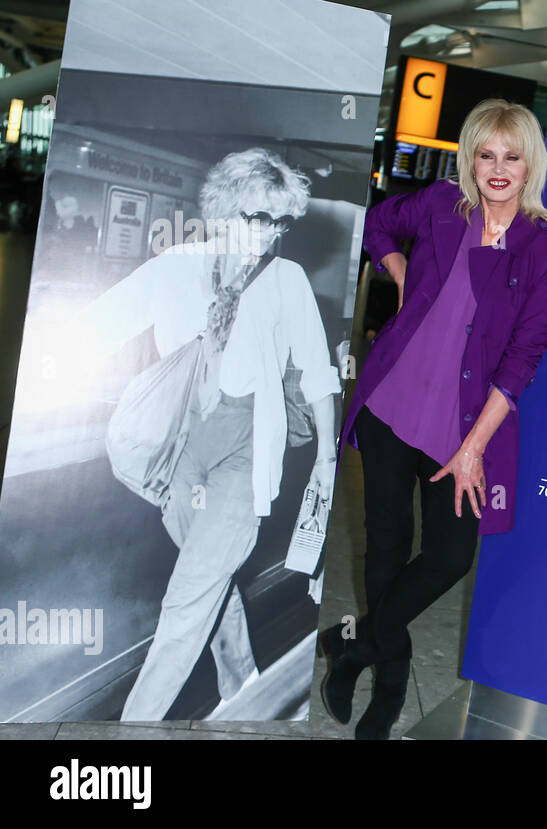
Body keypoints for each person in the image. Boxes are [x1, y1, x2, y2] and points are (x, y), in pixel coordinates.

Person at [319, 99, 547, 739]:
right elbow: (377, 224)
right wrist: (399, 273)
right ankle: (391, 686)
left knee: (450, 556)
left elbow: (524, 356)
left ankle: (358, 647)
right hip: (391, 402)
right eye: (487, 154)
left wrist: (474, 449)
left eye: (512, 156)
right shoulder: (438, 206)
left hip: (464, 426)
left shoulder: (543, 246)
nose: (498, 168)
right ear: (471, 157)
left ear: (530, 162)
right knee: (386, 546)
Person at [81, 148, 340, 720]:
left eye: (281, 221)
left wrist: (326, 456)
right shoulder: (176, 266)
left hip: (245, 453)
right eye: (257, 217)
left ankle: (133, 728)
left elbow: (319, 369)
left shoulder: (286, 279)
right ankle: (242, 684)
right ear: (225, 209)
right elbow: (94, 326)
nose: (269, 233)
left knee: (187, 598)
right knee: (208, 577)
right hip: (177, 454)